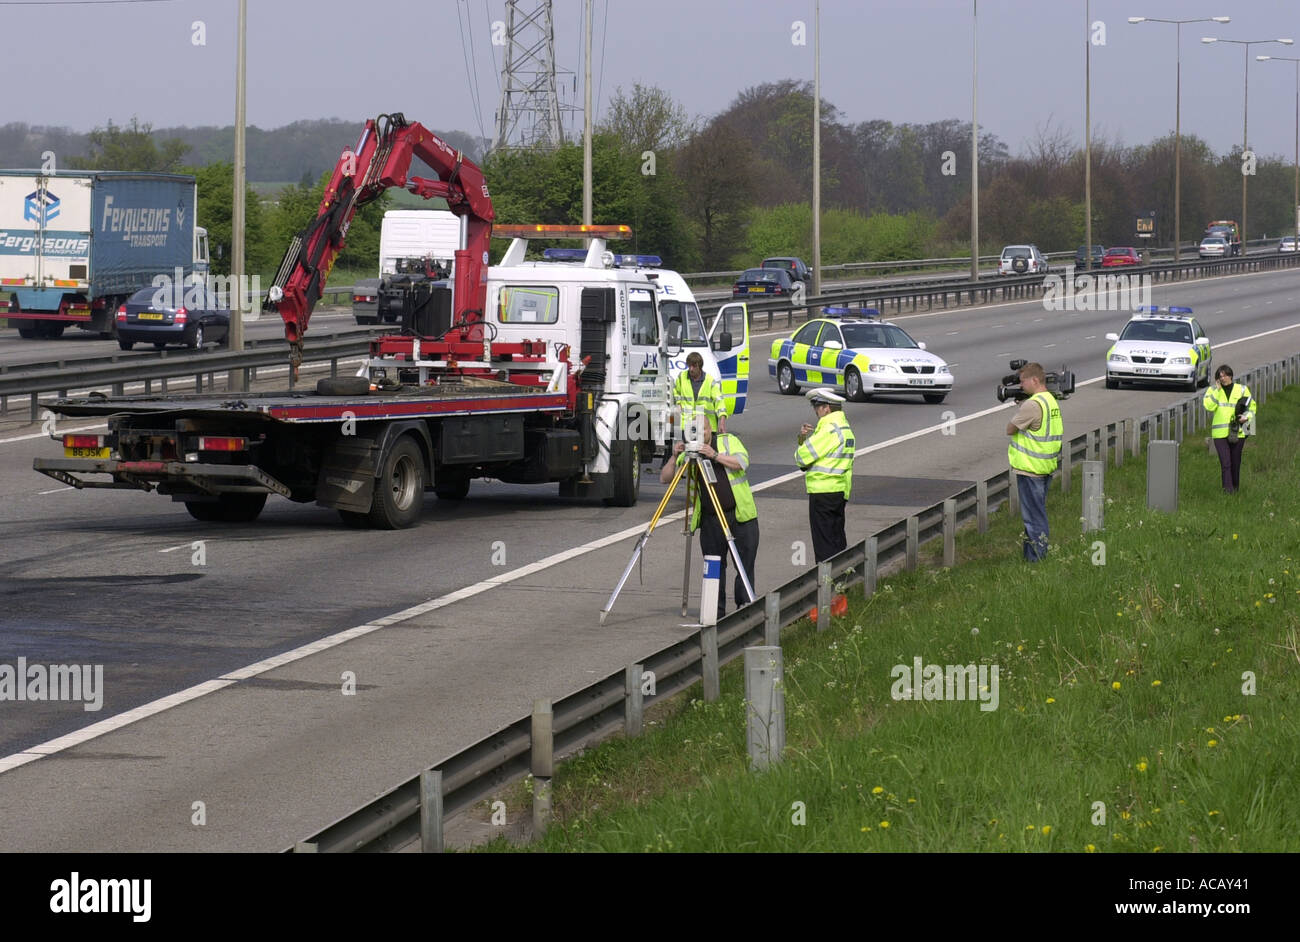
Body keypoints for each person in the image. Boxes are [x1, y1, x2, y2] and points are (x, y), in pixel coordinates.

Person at [660, 423, 758, 619]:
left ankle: (746, 606)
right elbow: (665, 478)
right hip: (711, 518)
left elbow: (742, 462)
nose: (698, 435)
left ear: (710, 429)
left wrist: (714, 455)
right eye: (692, 430)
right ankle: (715, 610)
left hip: (740, 514)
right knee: (714, 564)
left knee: (744, 563)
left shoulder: (728, 441)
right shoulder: (690, 452)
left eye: (702, 429)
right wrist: (674, 456)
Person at [1005, 362, 1062, 563]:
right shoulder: (1050, 400)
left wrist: (1021, 407)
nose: (1020, 386)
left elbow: (1010, 429)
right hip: (1045, 467)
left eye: (1023, 381)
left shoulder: (1032, 404)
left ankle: (1036, 560)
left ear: (1034, 380)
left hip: (1030, 469)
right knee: (1037, 515)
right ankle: (1034, 557)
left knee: (1033, 519)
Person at [795, 388, 855, 563]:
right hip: (840, 491)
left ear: (826, 408)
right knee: (837, 541)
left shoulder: (828, 429)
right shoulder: (844, 427)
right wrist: (804, 438)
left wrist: (802, 441)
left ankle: (826, 586)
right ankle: (841, 586)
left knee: (824, 547)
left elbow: (801, 459)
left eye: (817, 406)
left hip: (822, 493)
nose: (815, 410)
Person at [1203, 364, 1256, 494]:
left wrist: (1246, 417)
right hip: (1220, 434)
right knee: (1225, 463)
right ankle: (1228, 491)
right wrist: (1218, 390)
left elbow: (1252, 407)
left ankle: (1235, 489)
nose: (1223, 378)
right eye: (1220, 376)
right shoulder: (1212, 391)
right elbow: (1208, 406)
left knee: (1235, 462)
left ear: (1231, 375)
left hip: (1238, 431)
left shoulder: (1242, 389)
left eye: (1225, 375)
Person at [673, 351, 726, 437]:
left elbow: (719, 401)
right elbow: (676, 391)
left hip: (707, 427)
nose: (691, 369)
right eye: (689, 366)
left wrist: (722, 422)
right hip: (687, 425)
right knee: (688, 450)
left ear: (700, 367)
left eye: (694, 366)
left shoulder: (709, 381)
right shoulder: (682, 377)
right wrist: (678, 403)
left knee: (707, 450)